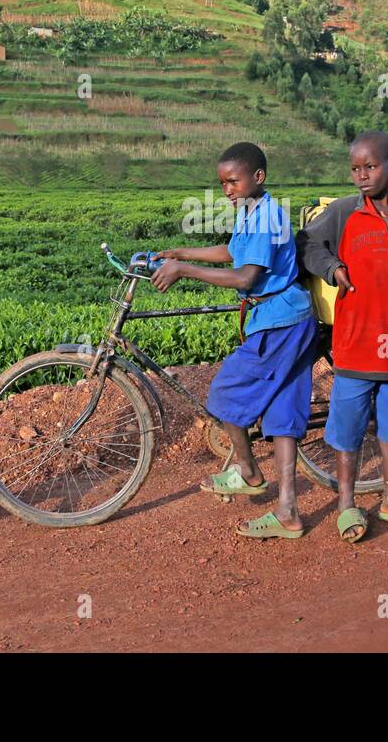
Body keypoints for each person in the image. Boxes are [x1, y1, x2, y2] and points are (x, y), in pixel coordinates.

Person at [151, 142, 318, 540]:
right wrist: (181, 251)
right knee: (282, 418)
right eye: (222, 183)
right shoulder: (254, 210)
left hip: (280, 323)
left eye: (233, 181)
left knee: (225, 394)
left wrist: (185, 270)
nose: (227, 189)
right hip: (287, 319)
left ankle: (247, 471)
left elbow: (247, 279)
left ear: (257, 177)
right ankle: (289, 513)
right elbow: (233, 251)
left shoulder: (266, 218)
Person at [297, 131, 388, 543]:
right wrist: (331, 267)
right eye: (355, 169)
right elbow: (306, 244)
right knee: (349, 427)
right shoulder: (343, 213)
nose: (361, 176)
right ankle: (346, 504)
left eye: (371, 167)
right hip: (355, 341)